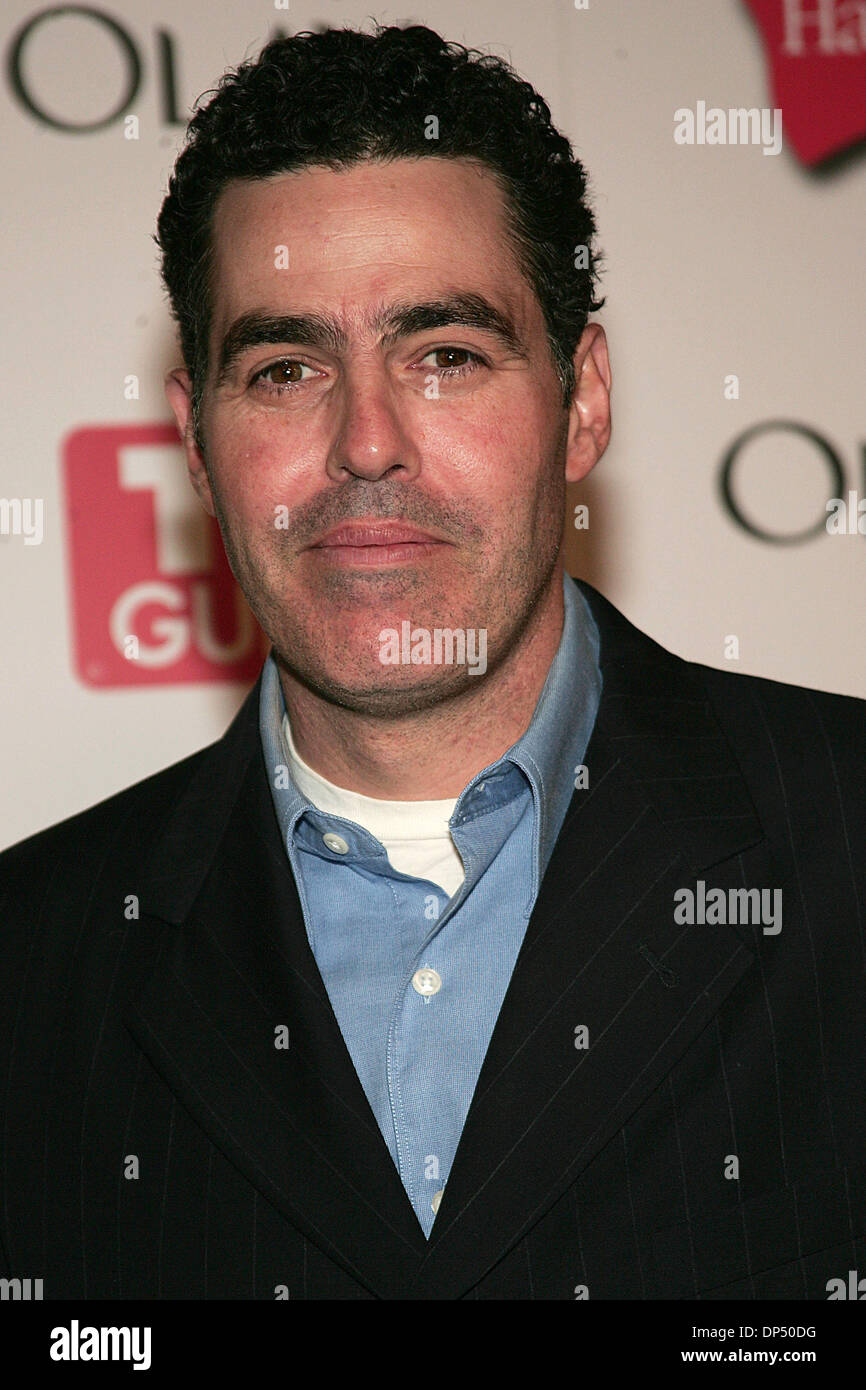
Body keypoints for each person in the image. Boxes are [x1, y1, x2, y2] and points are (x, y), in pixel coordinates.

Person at [1, 22, 864, 1302]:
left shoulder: (841, 840)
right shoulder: (32, 968)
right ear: (194, 440)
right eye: (285, 366)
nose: (364, 444)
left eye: (445, 356)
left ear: (581, 402)